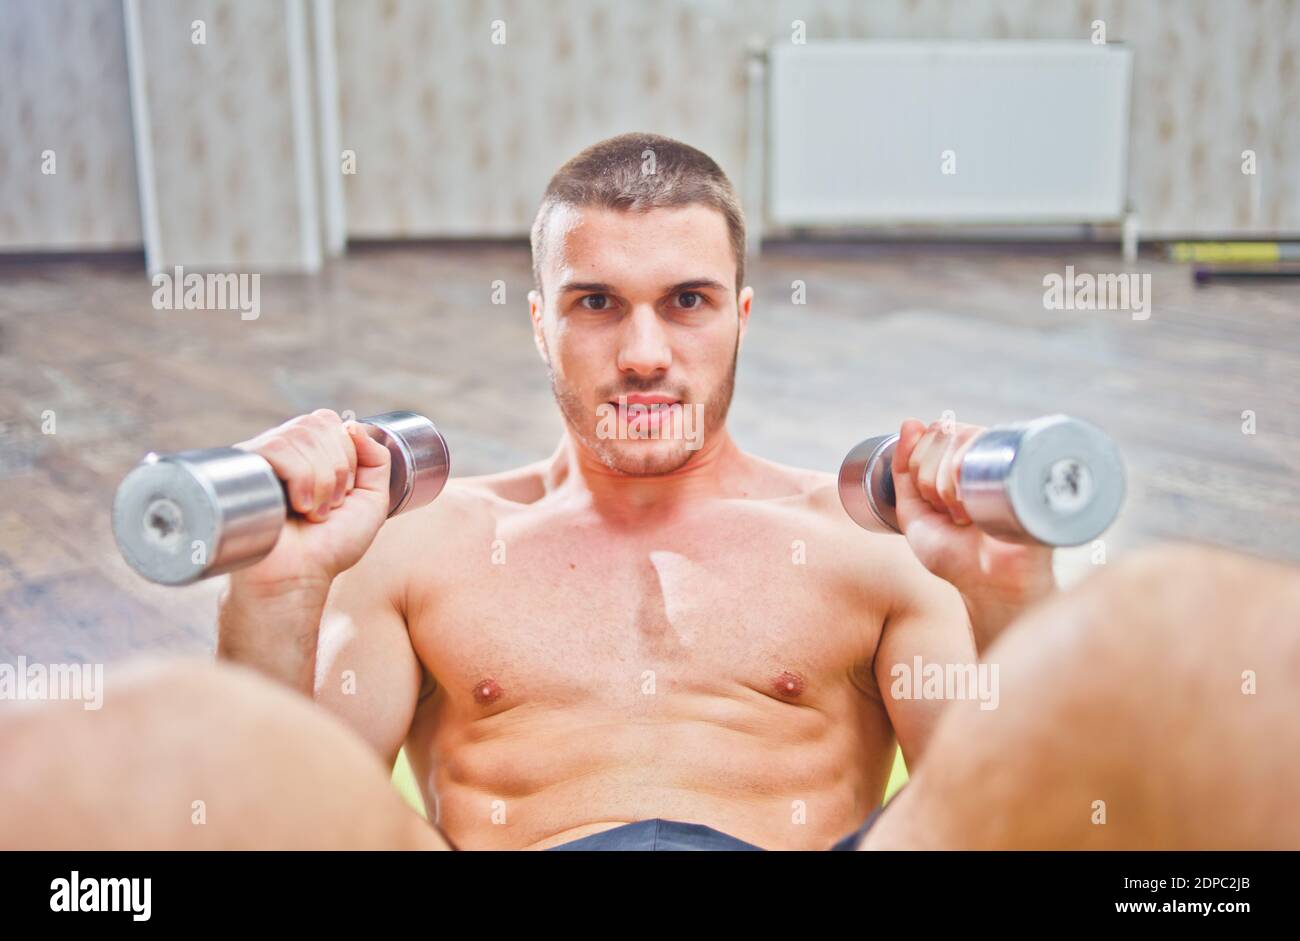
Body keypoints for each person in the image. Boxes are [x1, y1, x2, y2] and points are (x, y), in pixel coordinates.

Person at [4, 134, 1297, 850]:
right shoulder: (427, 545)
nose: (641, 351)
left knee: (1190, 641)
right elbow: (263, 807)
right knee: (90, 765)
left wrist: (1015, 586)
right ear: (538, 323)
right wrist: (279, 581)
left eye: (684, 302)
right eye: (595, 304)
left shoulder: (875, 550)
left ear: (739, 315)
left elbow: (1020, 817)